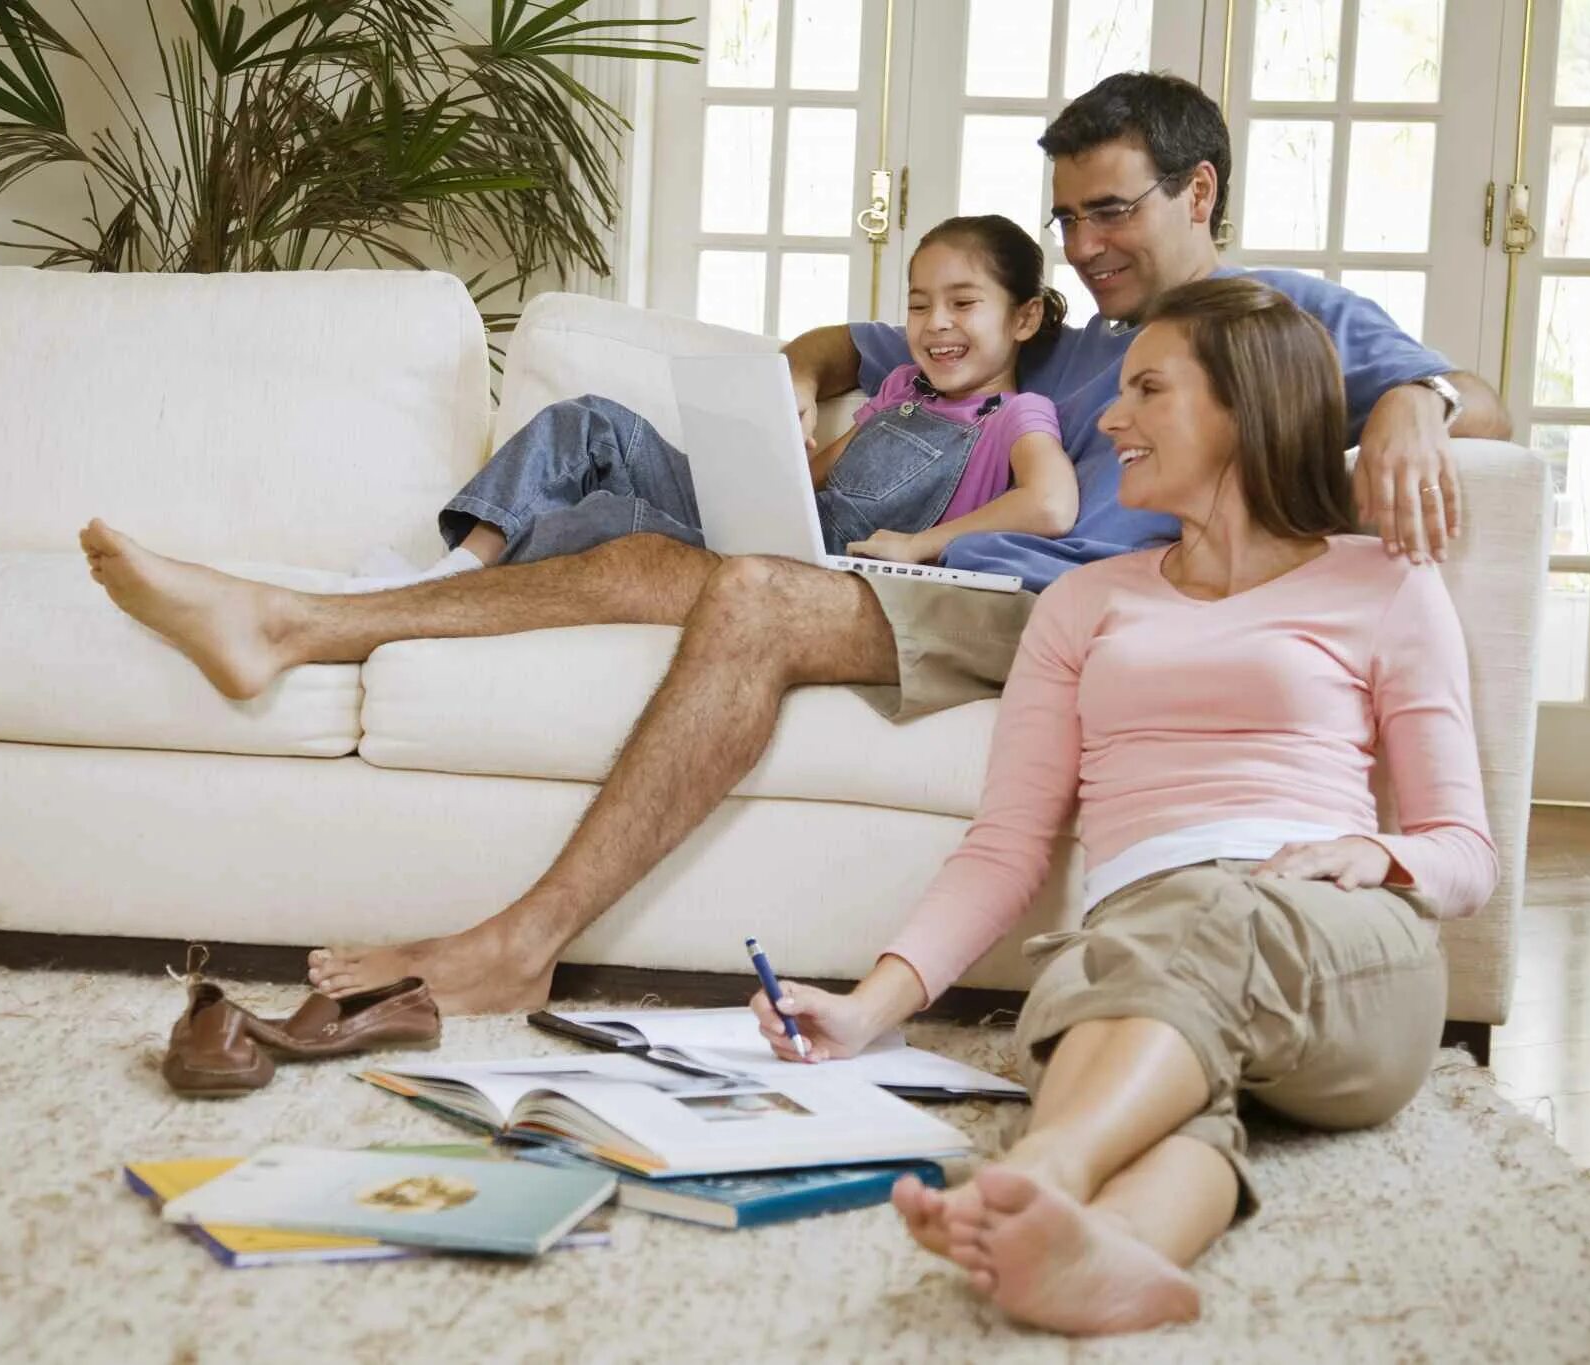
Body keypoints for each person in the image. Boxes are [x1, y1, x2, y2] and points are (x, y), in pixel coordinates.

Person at [76, 72, 1510, 1014]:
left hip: (1066, 610)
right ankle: (298, 622)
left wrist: (1420, 408)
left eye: (1111, 209)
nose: (1079, 243)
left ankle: (520, 938)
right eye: (1066, 215)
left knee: (754, 597)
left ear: (1200, 194)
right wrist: (801, 394)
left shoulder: (1279, 314)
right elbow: (854, 338)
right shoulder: (1058, 338)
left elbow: (1482, 397)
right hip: (945, 580)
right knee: (654, 565)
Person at [746, 276, 1498, 1337]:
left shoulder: (1381, 583)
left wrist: (1371, 856)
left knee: (1198, 922)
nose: (1107, 416)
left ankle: (1041, 1167)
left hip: (1334, 945)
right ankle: (1117, 1256)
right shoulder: (1083, 601)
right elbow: (1004, 845)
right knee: (1114, 979)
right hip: (1138, 951)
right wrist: (866, 1009)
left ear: (1244, 408)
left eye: (1147, 388)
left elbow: (1463, 852)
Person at [411, 213, 1076, 582]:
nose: (936, 323)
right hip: (761, 521)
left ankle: (464, 589)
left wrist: (921, 544)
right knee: (587, 421)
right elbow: (819, 480)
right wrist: (773, 457)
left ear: (1022, 318)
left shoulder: (1016, 416)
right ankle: (453, 569)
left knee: (608, 520)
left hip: (802, 567)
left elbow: (1049, 503)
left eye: (964, 304)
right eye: (920, 304)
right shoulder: (903, 387)